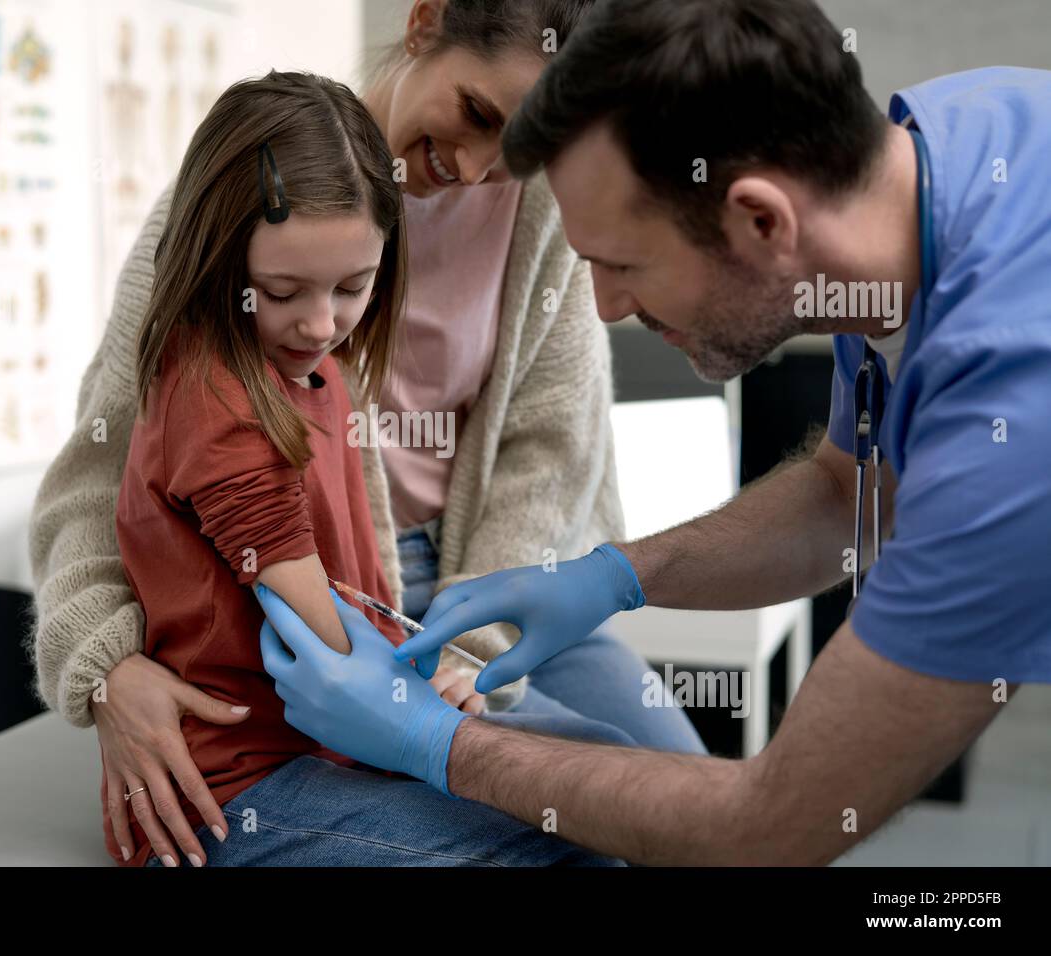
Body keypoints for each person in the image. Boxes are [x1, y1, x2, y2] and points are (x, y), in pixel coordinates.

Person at [255, 0, 1051, 865]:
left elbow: (774, 827)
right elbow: (846, 496)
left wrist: (435, 744)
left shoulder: (1008, 424)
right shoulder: (944, 154)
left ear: (761, 222)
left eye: (621, 265)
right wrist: (620, 575)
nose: (603, 309)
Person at [29, 0, 703, 868]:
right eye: (478, 115)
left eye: (527, 147)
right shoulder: (234, 210)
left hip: (483, 595)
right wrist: (105, 668)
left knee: (669, 801)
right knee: (572, 831)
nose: (477, 167)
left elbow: (548, 461)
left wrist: (465, 658)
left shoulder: (535, 231)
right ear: (425, 23)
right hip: (326, 633)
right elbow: (95, 482)